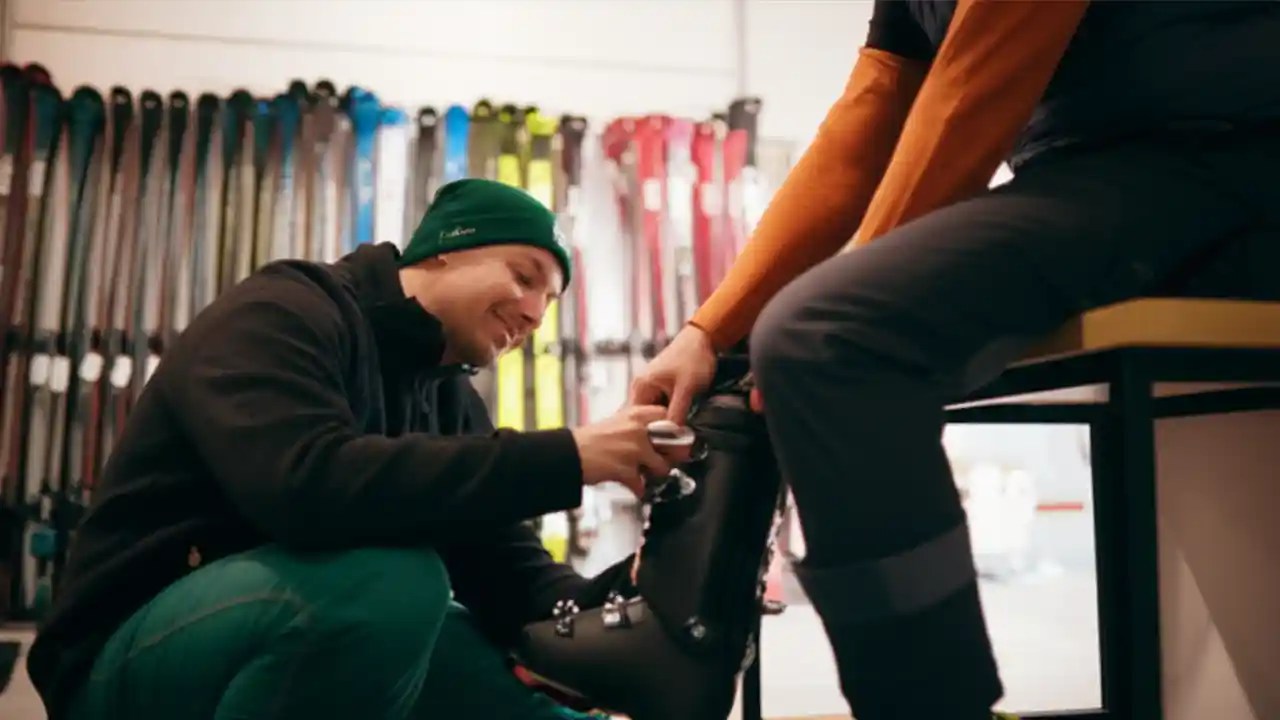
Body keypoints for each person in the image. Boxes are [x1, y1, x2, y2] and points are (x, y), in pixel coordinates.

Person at [630, 1, 1280, 719]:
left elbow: (975, 90)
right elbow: (872, 116)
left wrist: (829, 303)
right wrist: (711, 330)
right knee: (777, 350)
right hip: (1095, 174)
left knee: (826, 342)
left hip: (1226, 161)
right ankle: (672, 627)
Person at [28, 178, 680, 720]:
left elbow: (513, 579)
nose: (536, 313)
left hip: (278, 630)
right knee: (393, 587)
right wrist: (571, 457)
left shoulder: (450, 398)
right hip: (121, 660)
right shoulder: (285, 312)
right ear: (447, 249)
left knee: (490, 670)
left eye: (550, 300)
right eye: (524, 276)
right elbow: (306, 487)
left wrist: (652, 592)